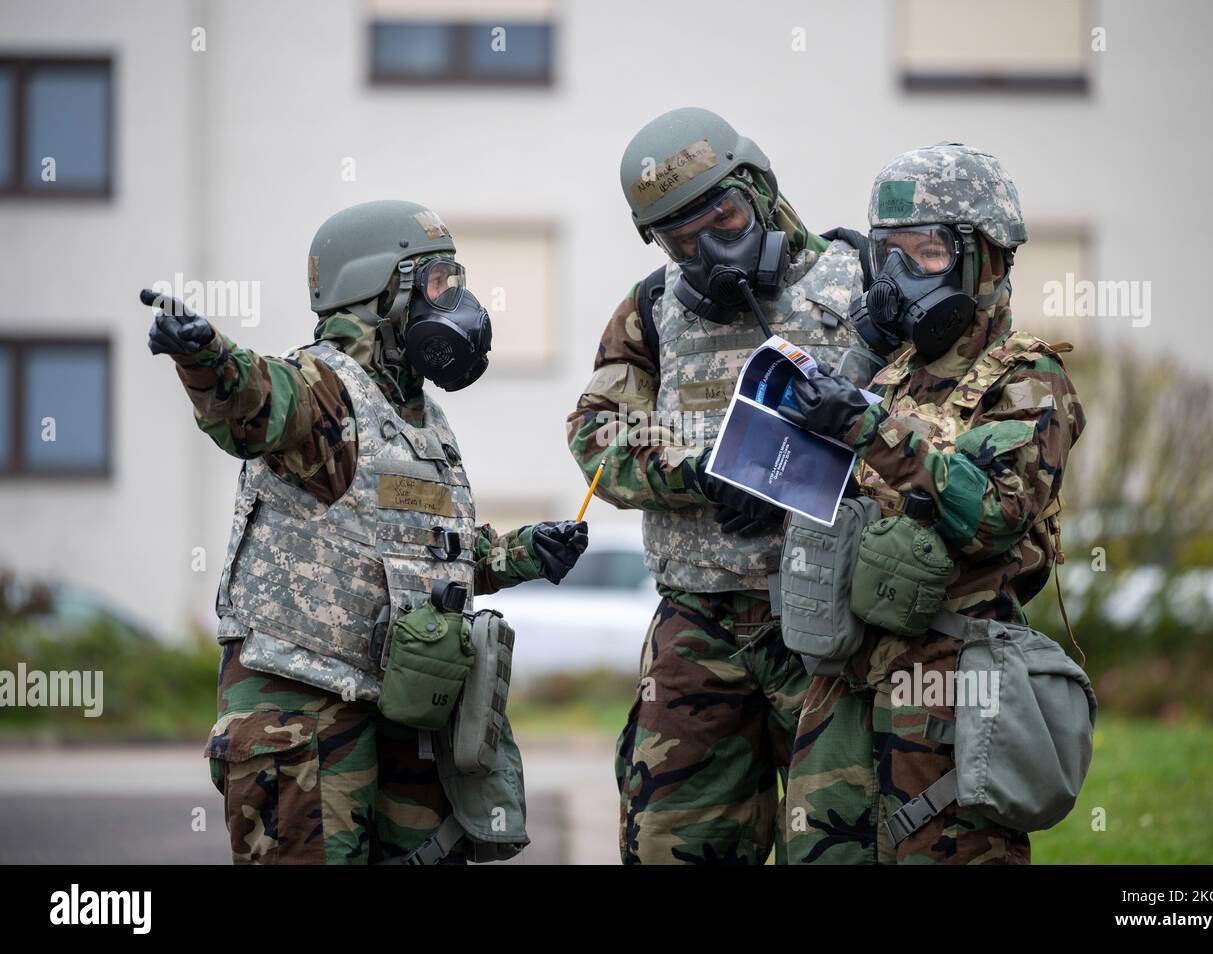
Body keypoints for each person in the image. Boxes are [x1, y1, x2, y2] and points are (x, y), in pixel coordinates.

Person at [145, 199, 589, 864]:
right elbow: (259, 401)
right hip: (303, 707)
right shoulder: (323, 387)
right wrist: (206, 358)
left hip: (399, 707)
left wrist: (527, 551)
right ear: (383, 291)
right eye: (440, 282)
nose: (458, 300)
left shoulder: (421, 421)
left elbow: (428, 552)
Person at [566, 107, 868, 864]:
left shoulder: (858, 278)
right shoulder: (650, 310)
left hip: (831, 625)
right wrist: (697, 473)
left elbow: (927, 421)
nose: (711, 249)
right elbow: (595, 435)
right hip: (698, 630)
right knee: (676, 846)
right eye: (682, 239)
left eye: (724, 217)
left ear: (760, 188)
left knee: (845, 846)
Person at [778, 143, 1086, 864]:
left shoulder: (1031, 380)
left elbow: (996, 516)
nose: (900, 278)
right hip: (843, 684)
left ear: (986, 259)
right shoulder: (884, 374)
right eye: (887, 255)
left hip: (951, 688)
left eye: (926, 252)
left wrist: (864, 426)